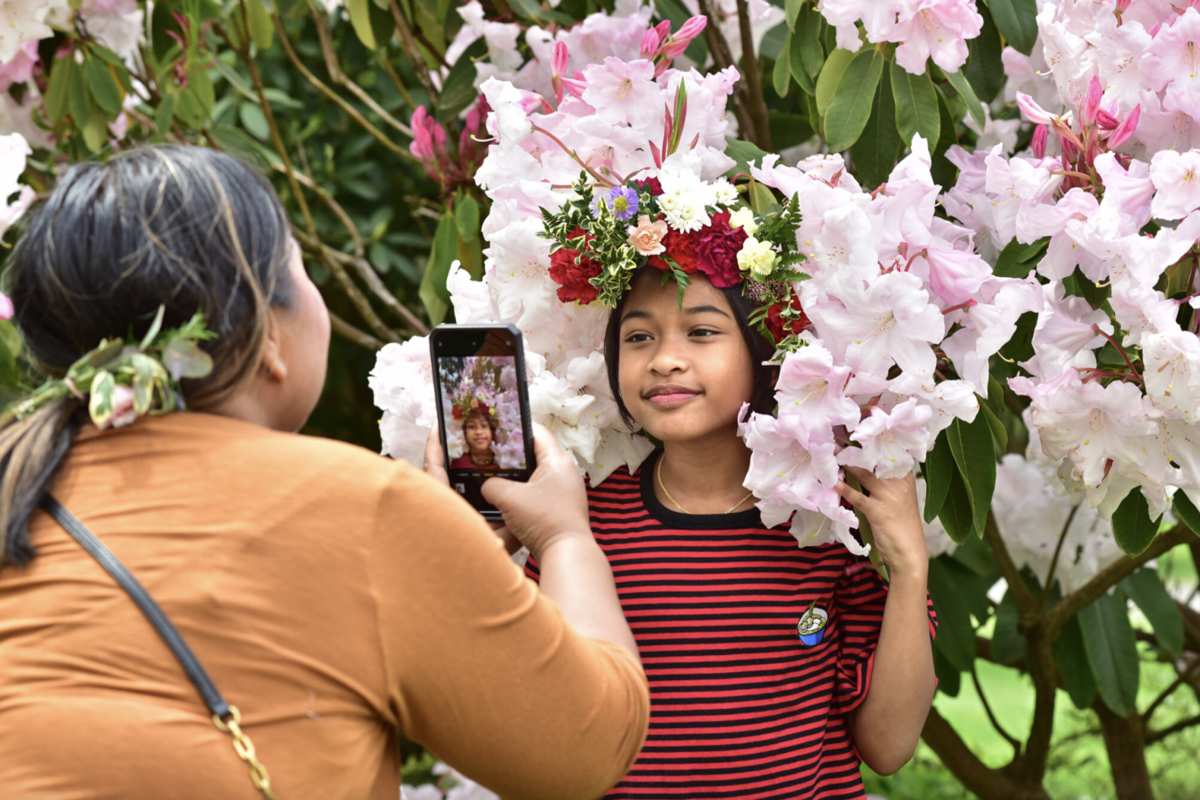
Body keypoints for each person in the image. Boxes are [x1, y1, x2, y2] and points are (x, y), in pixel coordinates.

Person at [0, 146, 649, 800]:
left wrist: (442, 554)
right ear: (268, 335)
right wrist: (564, 537)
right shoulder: (367, 513)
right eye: (301, 269)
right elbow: (585, 752)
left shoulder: (16, 488)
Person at [525, 265, 938, 799]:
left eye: (701, 332)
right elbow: (543, 718)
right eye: (638, 337)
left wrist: (909, 568)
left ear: (766, 352)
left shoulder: (828, 521)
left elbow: (888, 746)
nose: (665, 359)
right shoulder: (579, 519)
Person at [448, 407, 501, 471]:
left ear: (492, 431)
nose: (479, 432)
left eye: (484, 426)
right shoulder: (459, 464)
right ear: (464, 432)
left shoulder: (503, 461)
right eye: (472, 426)